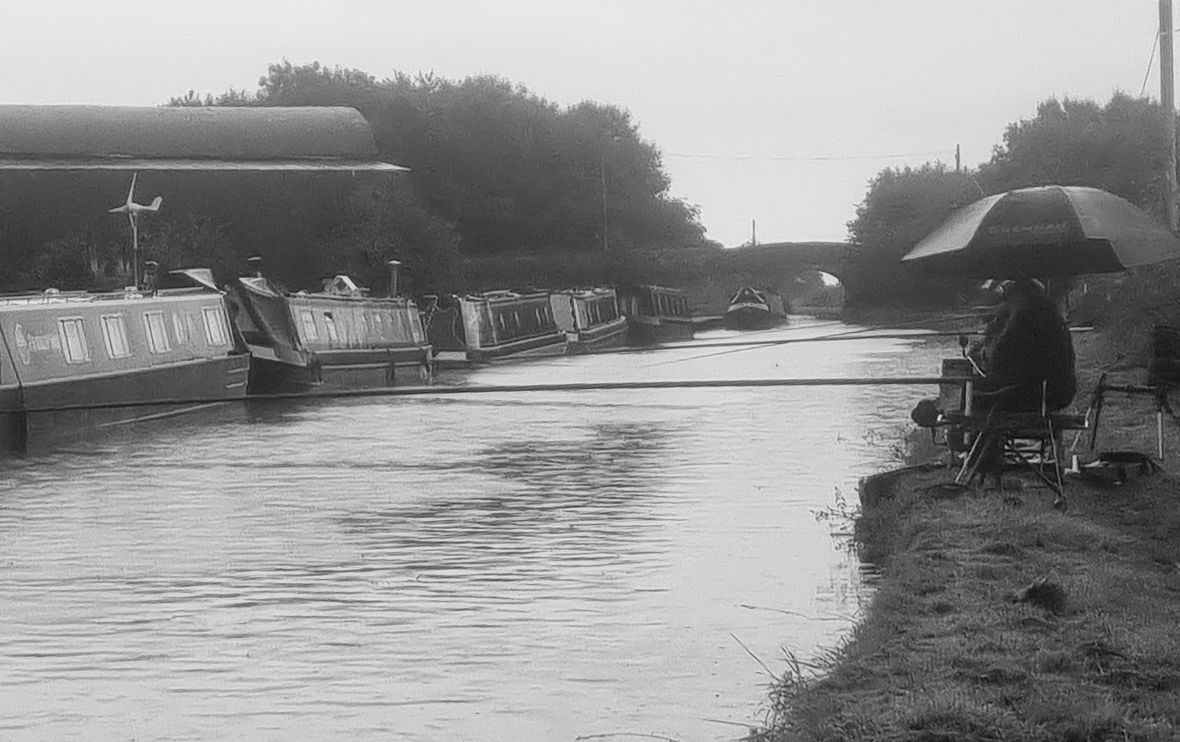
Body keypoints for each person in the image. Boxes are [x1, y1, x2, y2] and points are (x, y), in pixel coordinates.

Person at [973, 278, 1076, 412]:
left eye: (1009, 301)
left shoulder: (1025, 322)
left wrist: (988, 352)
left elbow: (1000, 362)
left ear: (1020, 296)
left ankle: (978, 431)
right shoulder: (1054, 318)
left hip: (1032, 393)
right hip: (1061, 392)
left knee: (972, 391)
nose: (1008, 305)